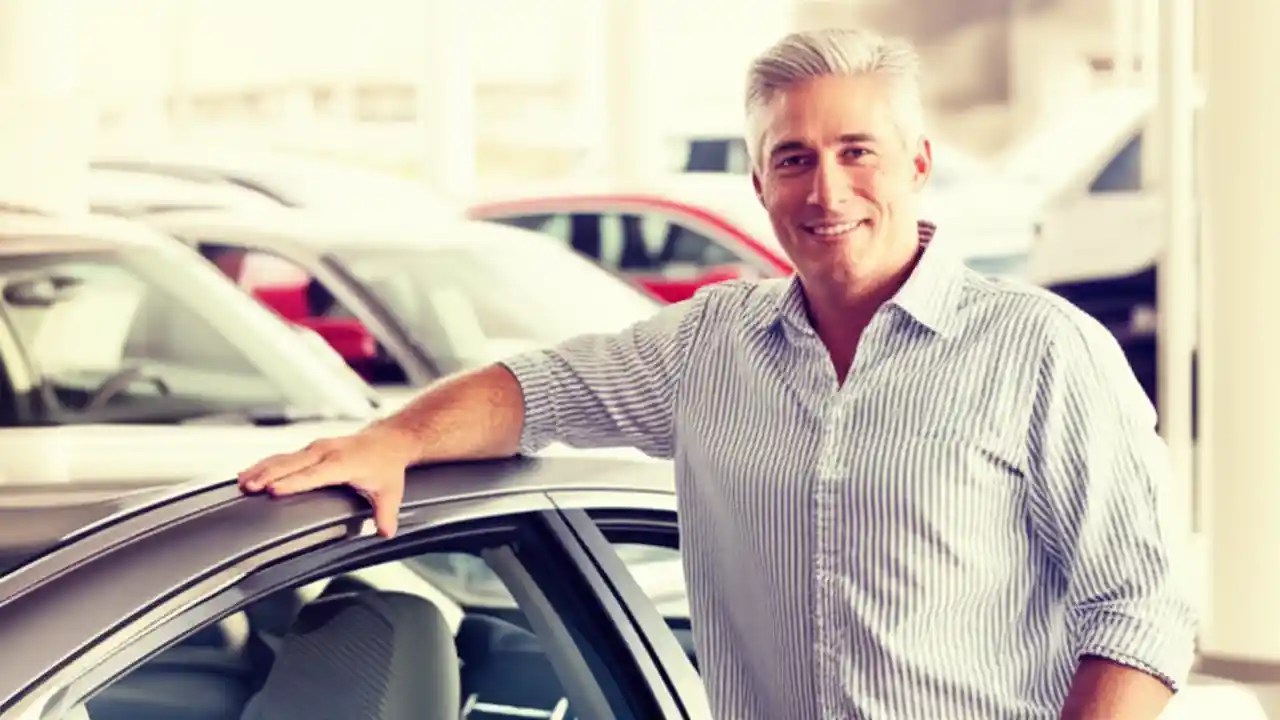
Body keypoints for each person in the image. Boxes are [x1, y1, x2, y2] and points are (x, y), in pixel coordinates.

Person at [238, 27, 1197, 720]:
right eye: (794, 159)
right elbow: (537, 390)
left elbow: (1141, 607)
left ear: (918, 164)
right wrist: (394, 439)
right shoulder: (709, 346)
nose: (827, 190)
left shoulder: (1044, 351)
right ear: (759, 185)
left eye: (857, 152)